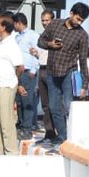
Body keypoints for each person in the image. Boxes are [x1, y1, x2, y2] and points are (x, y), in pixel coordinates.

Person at [37, 2, 89, 143]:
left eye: (82, 21)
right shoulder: (54, 24)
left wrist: (85, 85)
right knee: (54, 107)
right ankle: (62, 136)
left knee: (69, 106)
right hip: (52, 73)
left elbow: (83, 61)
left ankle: (75, 137)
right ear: (71, 14)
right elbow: (40, 41)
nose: (79, 22)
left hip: (69, 73)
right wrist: (50, 45)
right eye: (78, 19)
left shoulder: (82, 35)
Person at [0, 15, 25, 156]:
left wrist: (14, 80)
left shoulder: (11, 45)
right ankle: (1, 150)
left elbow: (20, 67)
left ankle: (11, 152)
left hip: (6, 87)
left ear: (3, 27)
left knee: (6, 122)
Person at [13, 12, 40, 140]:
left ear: (18, 23)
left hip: (28, 71)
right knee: (18, 101)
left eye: (14, 24)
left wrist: (34, 70)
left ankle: (27, 128)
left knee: (27, 100)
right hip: (18, 71)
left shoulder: (33, 35)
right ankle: (21, 124)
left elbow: (37, 53)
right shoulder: (17, 37)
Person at [36, 8, 58, 141]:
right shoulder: (42, 36)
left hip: (52, 71)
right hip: (41, 69)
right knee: (45, 104)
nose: (44, 23)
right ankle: (49, 131)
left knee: (53, 104)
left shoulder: (56, 36)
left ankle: (58, 131)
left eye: (47, 20)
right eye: (43, 20)